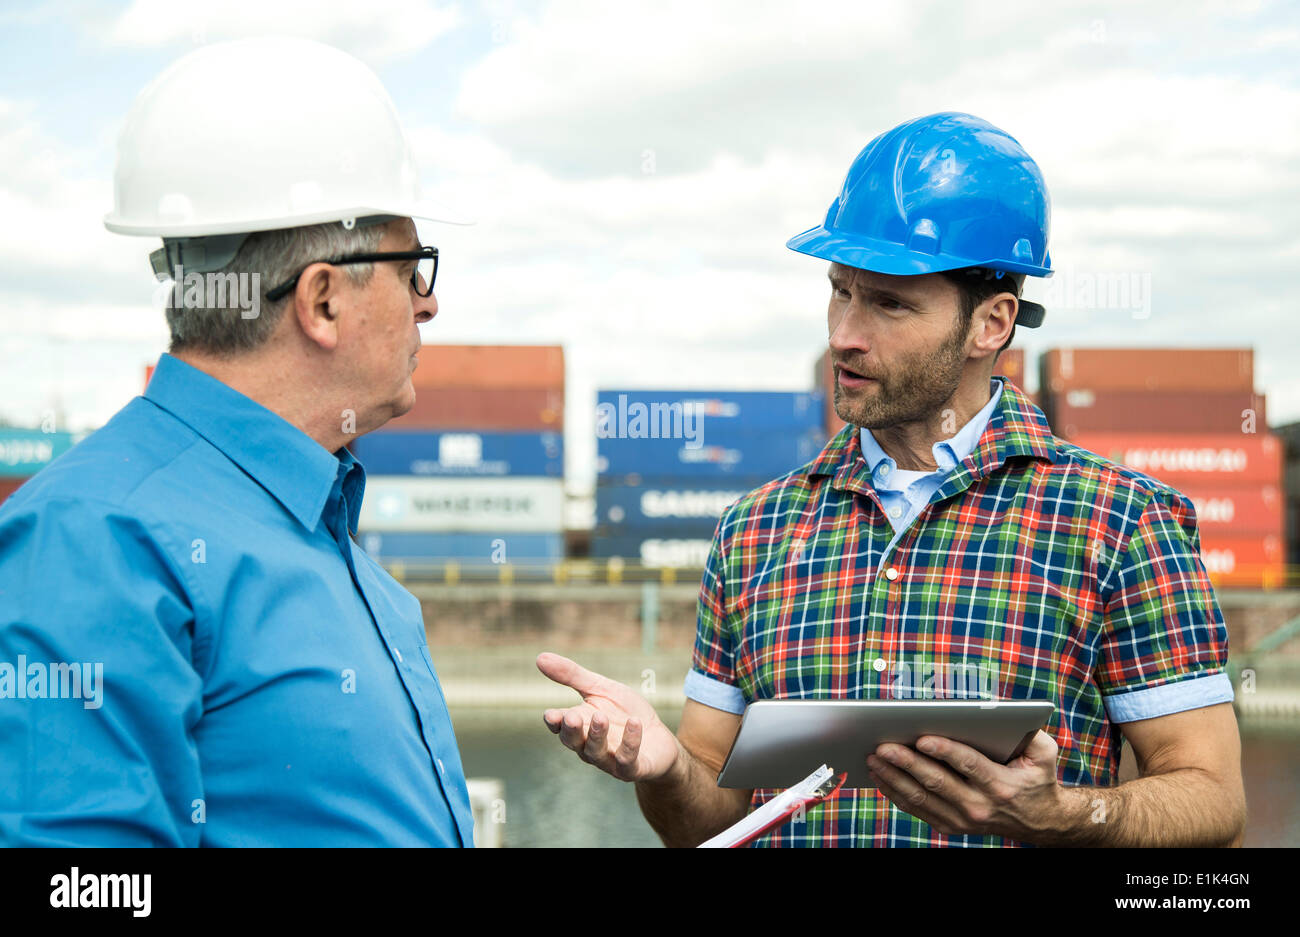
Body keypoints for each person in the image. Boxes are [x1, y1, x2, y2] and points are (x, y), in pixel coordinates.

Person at [538, 112, 1245, 847]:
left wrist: (1057, 815)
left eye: (888, 302)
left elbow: (1214, 801)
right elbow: (712, 821)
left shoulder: (1122, 524)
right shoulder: (753, 532)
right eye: (841, 291)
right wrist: (665, 771)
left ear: (991, 324)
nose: (844, 331)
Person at [0, 38, 475, 846]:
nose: (427, 304)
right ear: (322, 300)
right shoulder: (96, 537)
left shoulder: (322, 527)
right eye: (412, 267)